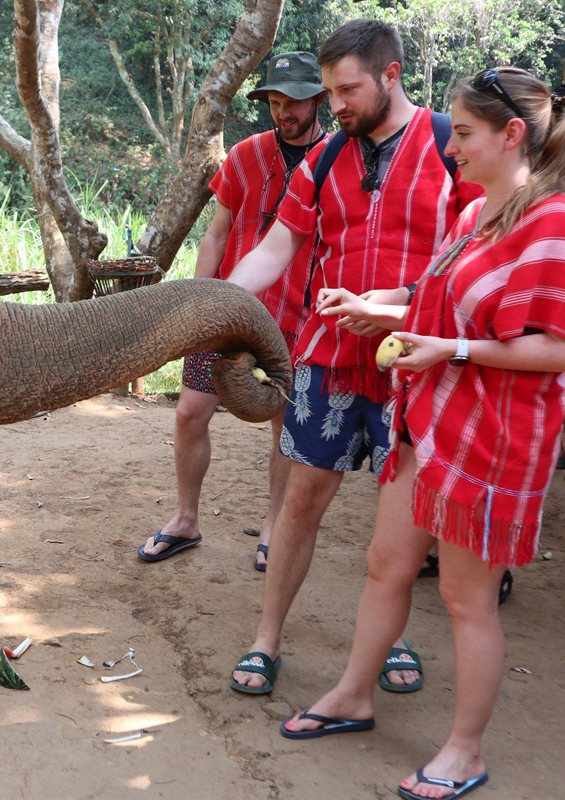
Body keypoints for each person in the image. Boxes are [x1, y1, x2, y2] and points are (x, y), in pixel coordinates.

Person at [281, 67, 565, 800]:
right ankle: (353, 693)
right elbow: (430, 293)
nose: (451, 147)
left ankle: (464, 752)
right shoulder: (477, 217)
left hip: (490, 438)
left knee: (468, 599)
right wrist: (374, 303)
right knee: (386, 563)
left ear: (511, 136)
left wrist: (454, 350)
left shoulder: (550, 224)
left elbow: (555, 346)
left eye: (464, 135)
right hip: (428, 421)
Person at [223, 19, 483, 695]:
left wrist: (397, 305)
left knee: (399, 517)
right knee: (301, 500)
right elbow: (279, 246)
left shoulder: (448, 144)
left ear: (389, 76)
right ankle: (265, 637)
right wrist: (216, 300)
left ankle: (388, 639)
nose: (333, 103)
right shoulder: (326, 158)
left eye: (346, 89)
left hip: (419, 362)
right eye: (331, 90)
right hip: (329, 355)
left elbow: (480, 254)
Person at [138, 52, 327, 571]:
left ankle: (273, 526)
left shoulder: (337, 159)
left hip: (297, 318)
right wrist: (201, 300)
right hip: (226, 315)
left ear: (319, 97)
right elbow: (217, 232)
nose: (283, 110)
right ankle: (185, 519)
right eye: (274, 100)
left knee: (283, 425)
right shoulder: (246, 155)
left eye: (293, 101)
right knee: (188, 412)